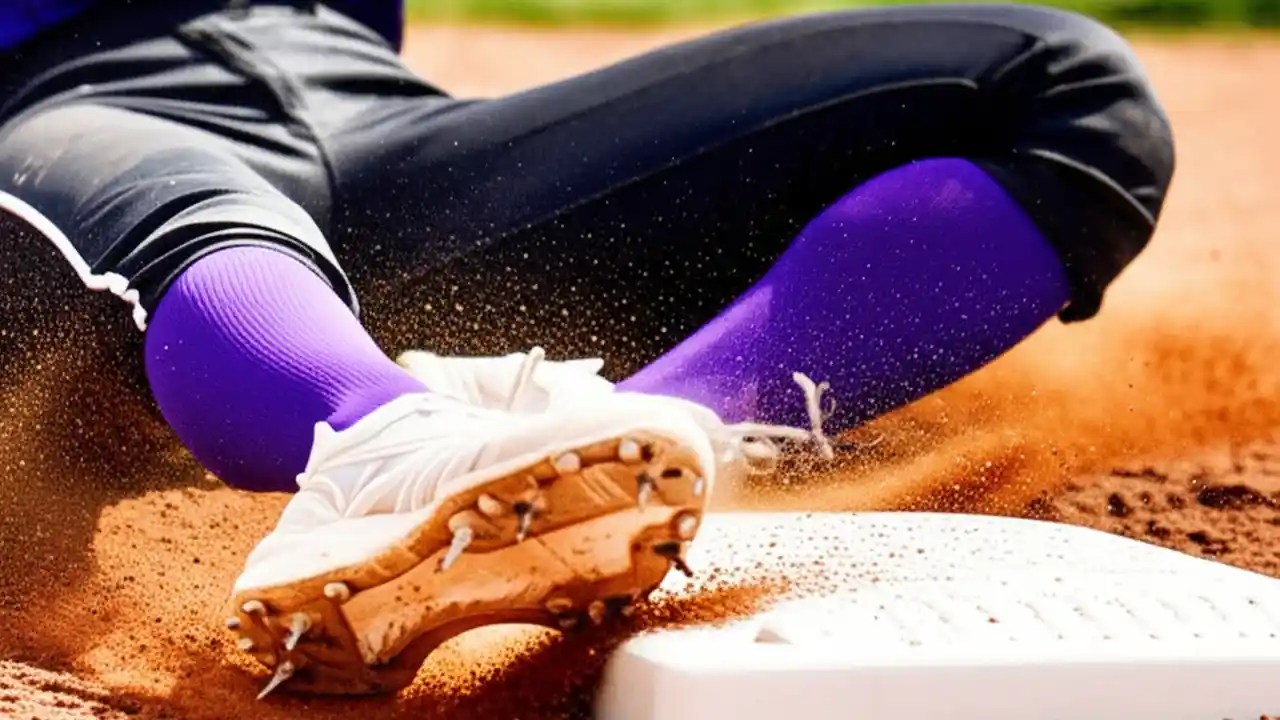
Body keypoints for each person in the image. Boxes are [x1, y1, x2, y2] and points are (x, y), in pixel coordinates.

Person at [0, 0, 1174, 698]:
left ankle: (643, 447)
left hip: (383, 124)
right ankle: (378, 454)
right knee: (178, 205)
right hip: (54, 115)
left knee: (1063, 87)